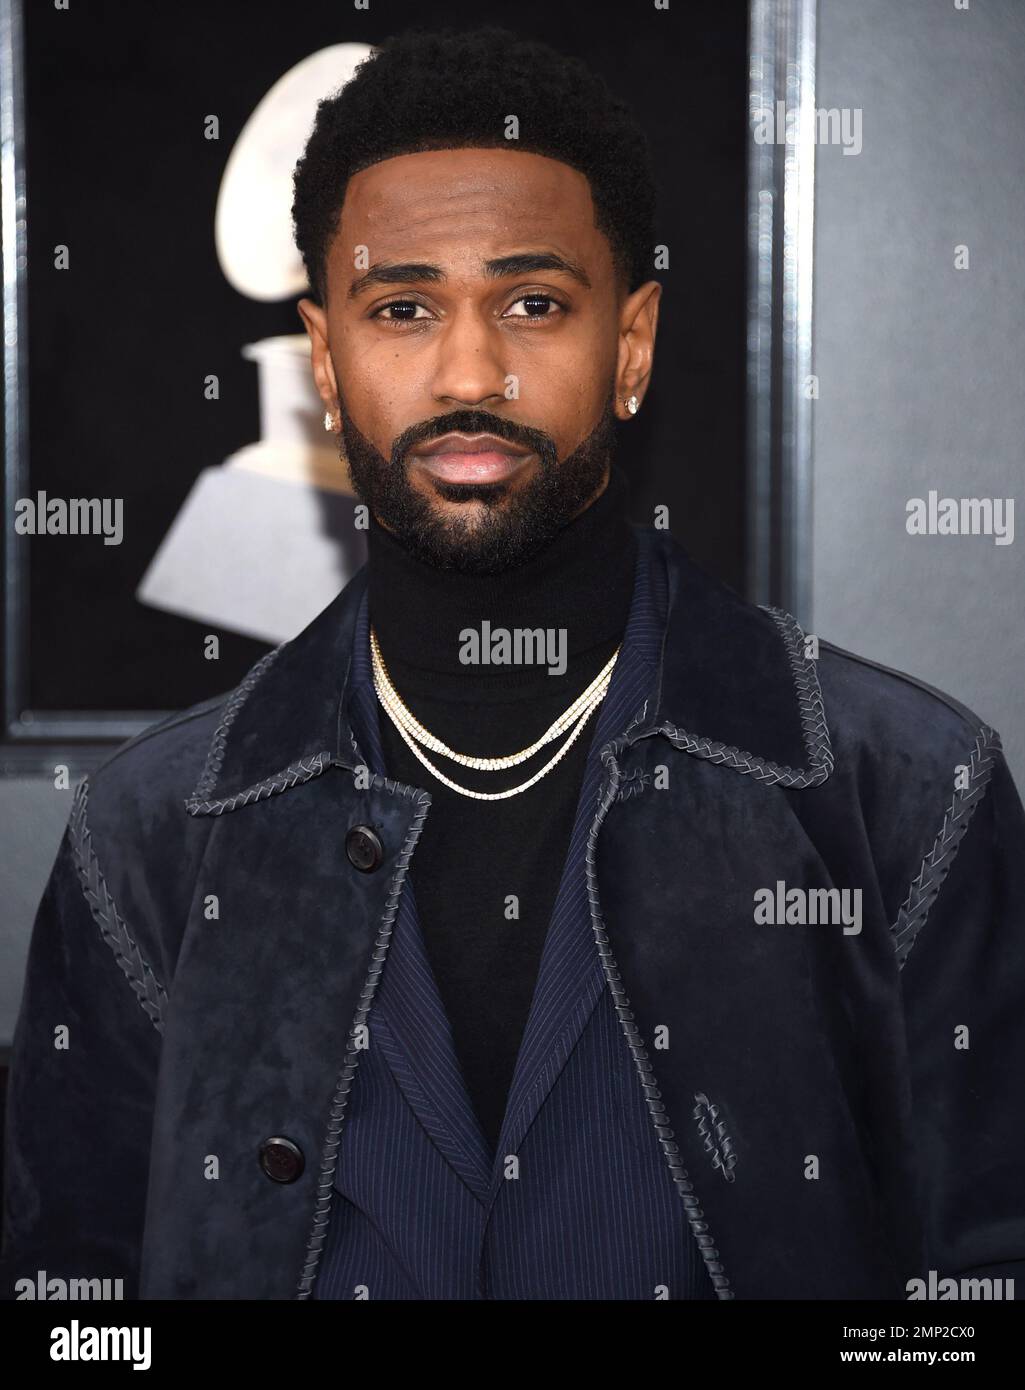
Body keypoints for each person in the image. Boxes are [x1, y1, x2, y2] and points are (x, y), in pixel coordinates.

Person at [3, 25, 1024, 1302]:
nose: (469, 371)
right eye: (403, 307)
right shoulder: (149, 839)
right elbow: (72, 1319)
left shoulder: (901, 800)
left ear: (632, 343)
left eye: (533, 303)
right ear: (324, 357)